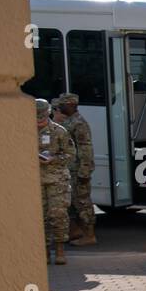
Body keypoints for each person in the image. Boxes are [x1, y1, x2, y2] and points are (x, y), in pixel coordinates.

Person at [35, 98, 75, 265]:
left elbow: (71, 154)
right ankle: (43, 253)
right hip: (35, 181)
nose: (39, 121)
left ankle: (59, 250)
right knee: (39, 218)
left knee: (58, 215)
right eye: (36, 118)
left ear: (48, 113)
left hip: (57, 180)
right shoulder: (23, 130)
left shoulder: (59, 131)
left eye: (42, 117)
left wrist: (53, 159)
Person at [54, 93, 96, 246]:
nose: (59, 108)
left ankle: (89, 234)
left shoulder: (79, 123)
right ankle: (78, 231)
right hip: (70, 170)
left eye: (62, 105)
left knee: (82, 202)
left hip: (79, 170)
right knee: (73, 202)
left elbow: (86, 149)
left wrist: (84, 171)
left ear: (71, 105)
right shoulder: (69, 122)